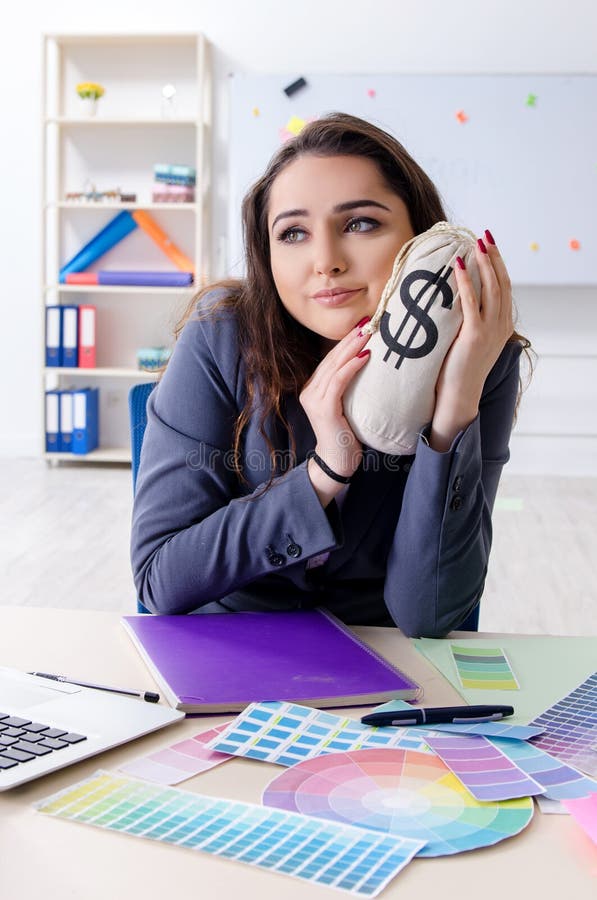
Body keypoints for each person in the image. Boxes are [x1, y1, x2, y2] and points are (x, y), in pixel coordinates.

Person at [131, 112, 530, 637]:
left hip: (382, 656)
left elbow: (429, 613)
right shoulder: (222, 336)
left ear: (420, 237)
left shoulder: (478, 356)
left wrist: (453, 410)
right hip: (230, 644)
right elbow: (160, 580)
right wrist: (324, 473)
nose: (326, 261)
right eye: (293, 233)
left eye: (360, 223)